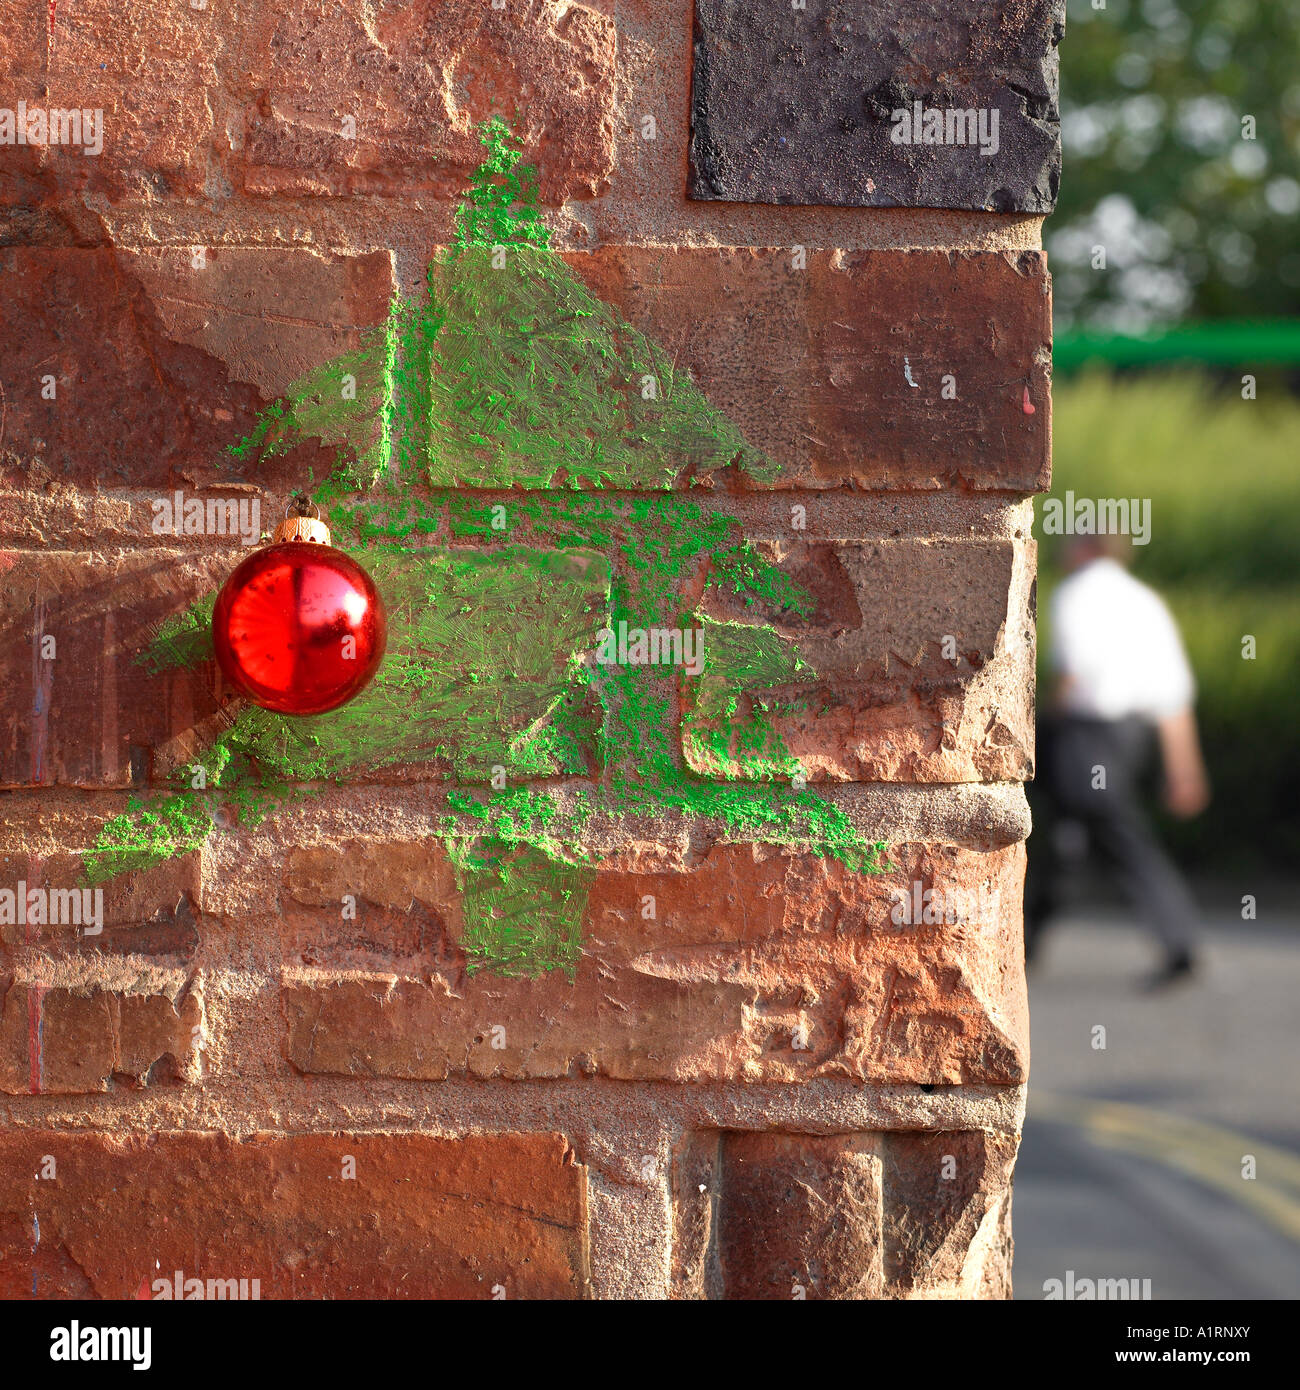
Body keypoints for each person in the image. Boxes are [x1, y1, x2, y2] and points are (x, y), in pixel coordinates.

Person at [1025, 534, 1211, 989]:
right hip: (1128, 740)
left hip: (1082, 738)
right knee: (1070, 841)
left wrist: (1036, 725)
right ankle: (1020, 946)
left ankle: (1179, 941)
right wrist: (1185, 769)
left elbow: (1071, 672)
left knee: (1107, 835)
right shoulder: (1147, 602)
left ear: (1084, 549)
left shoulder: (1075, 594)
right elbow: (1172, 697)